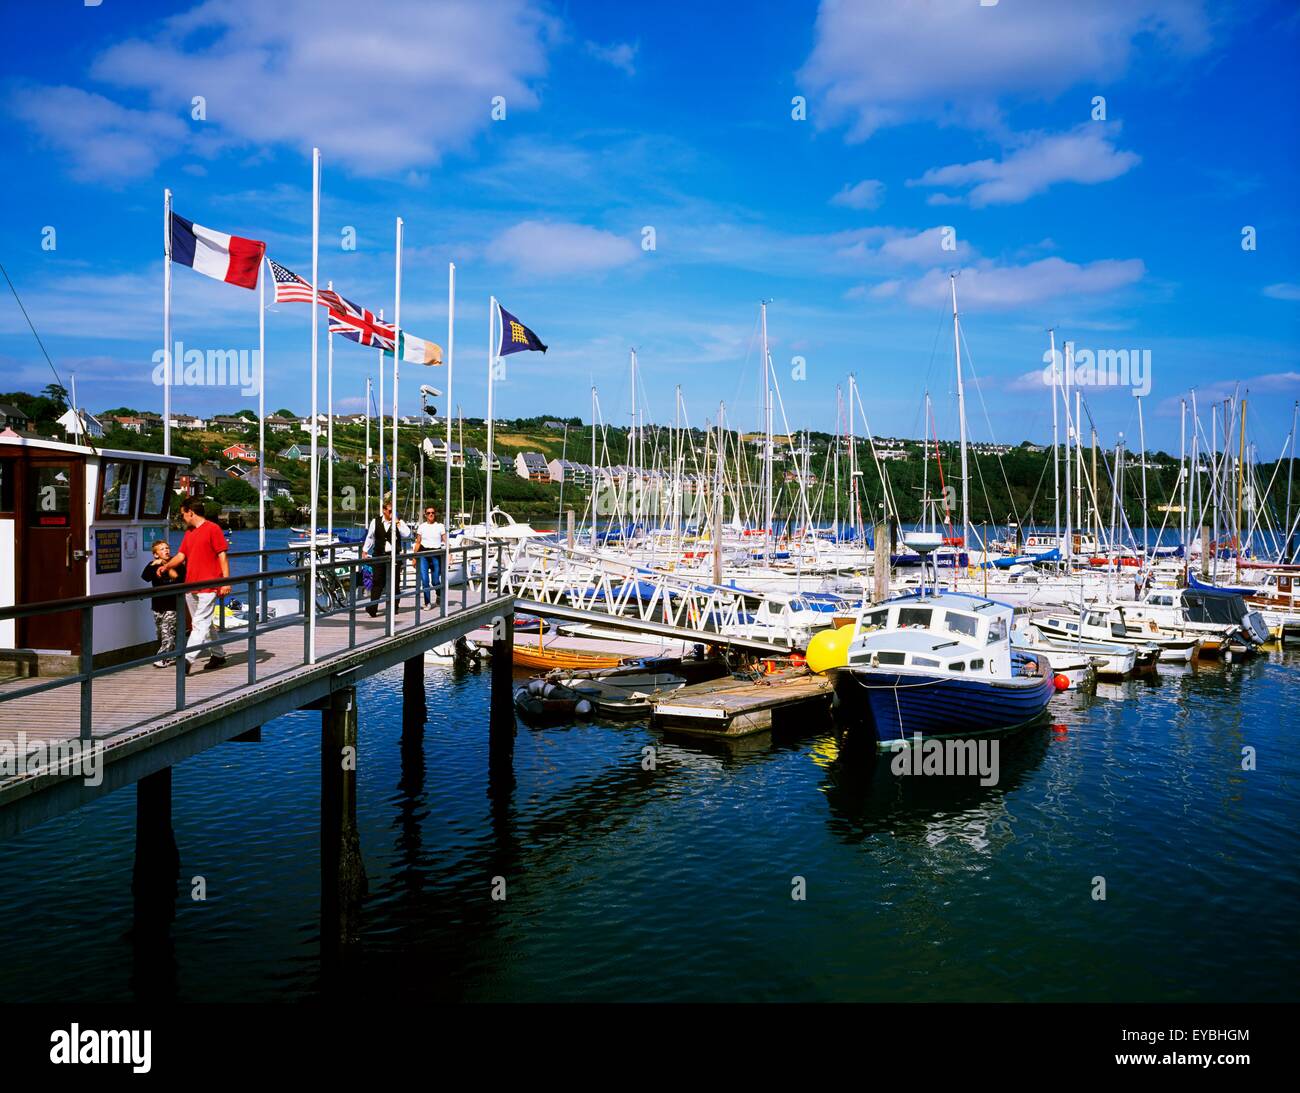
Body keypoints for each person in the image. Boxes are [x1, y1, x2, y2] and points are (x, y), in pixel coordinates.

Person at [158, 497, 231, 673]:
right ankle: (218, 655)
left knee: (199, 623)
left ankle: (187, 659)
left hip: (210, 584)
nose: (182, 517)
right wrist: (166, 566)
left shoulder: (213, 529)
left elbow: (222, 556)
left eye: (183, 513)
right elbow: (182, 555)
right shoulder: (189, 533)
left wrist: (226, 582)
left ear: (190, 512)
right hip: (191, 585)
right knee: (204, 623)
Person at [361, 494, 411, 618]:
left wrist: (398, 522)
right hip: (379, 555)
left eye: (393, 511)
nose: (391, 513)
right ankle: (373, 608)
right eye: (389, 511)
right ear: (384, 510)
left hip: (394, 556)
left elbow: (407, 534)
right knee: (377, 582)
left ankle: (394, 607)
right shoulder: (375, 521)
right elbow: (370, 537)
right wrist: (365, 550)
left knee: (395, 582)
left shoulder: (398, 522)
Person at [141, 539, 186, 668]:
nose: (166, 550)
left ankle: (162, 658)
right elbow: (145, 577)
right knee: (162, 632)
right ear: (156, 554)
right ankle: (177, 653)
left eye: (167, 548)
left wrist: (167, 566)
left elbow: (178, 578)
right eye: (162, 549)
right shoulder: (153, 564)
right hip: (158, 604)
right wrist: (153, 564)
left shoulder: (177, 564)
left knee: (167, 631)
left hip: (173, 604)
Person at [414, 505, 447, 608]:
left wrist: (450, 554)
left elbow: (445, 540)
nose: (431, 514)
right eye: (428, 513)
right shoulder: (422, 526)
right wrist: (414, 557)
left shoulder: (440, 526)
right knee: (424, 580)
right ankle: (427, 603)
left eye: (432, 512)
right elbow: (418, 542)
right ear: (425, 515)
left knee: (436, 581)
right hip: (423, 554)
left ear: (435, 514)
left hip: (436, 554)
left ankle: (439, 594)